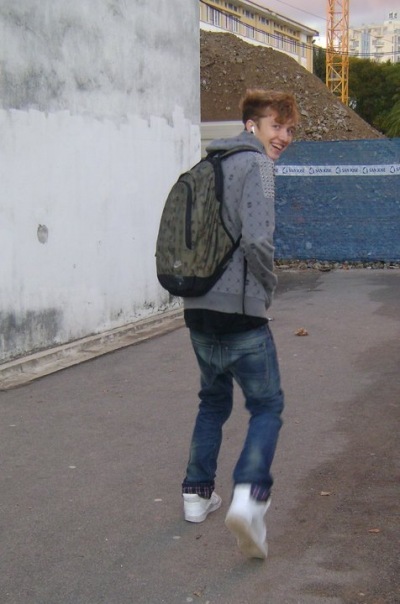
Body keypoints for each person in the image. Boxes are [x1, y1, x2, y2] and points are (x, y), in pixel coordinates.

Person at [181, 89, 300, 559]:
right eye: (276, 126)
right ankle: (250, 496)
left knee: (213, 400)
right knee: (267, 405)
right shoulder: (258, 167)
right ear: (252, 125)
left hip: (198, 307)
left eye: (289, 129)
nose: (284, 136)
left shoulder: (209, 163)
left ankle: (196, 494)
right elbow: (257, 240)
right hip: (240, 310)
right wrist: (268, 286)